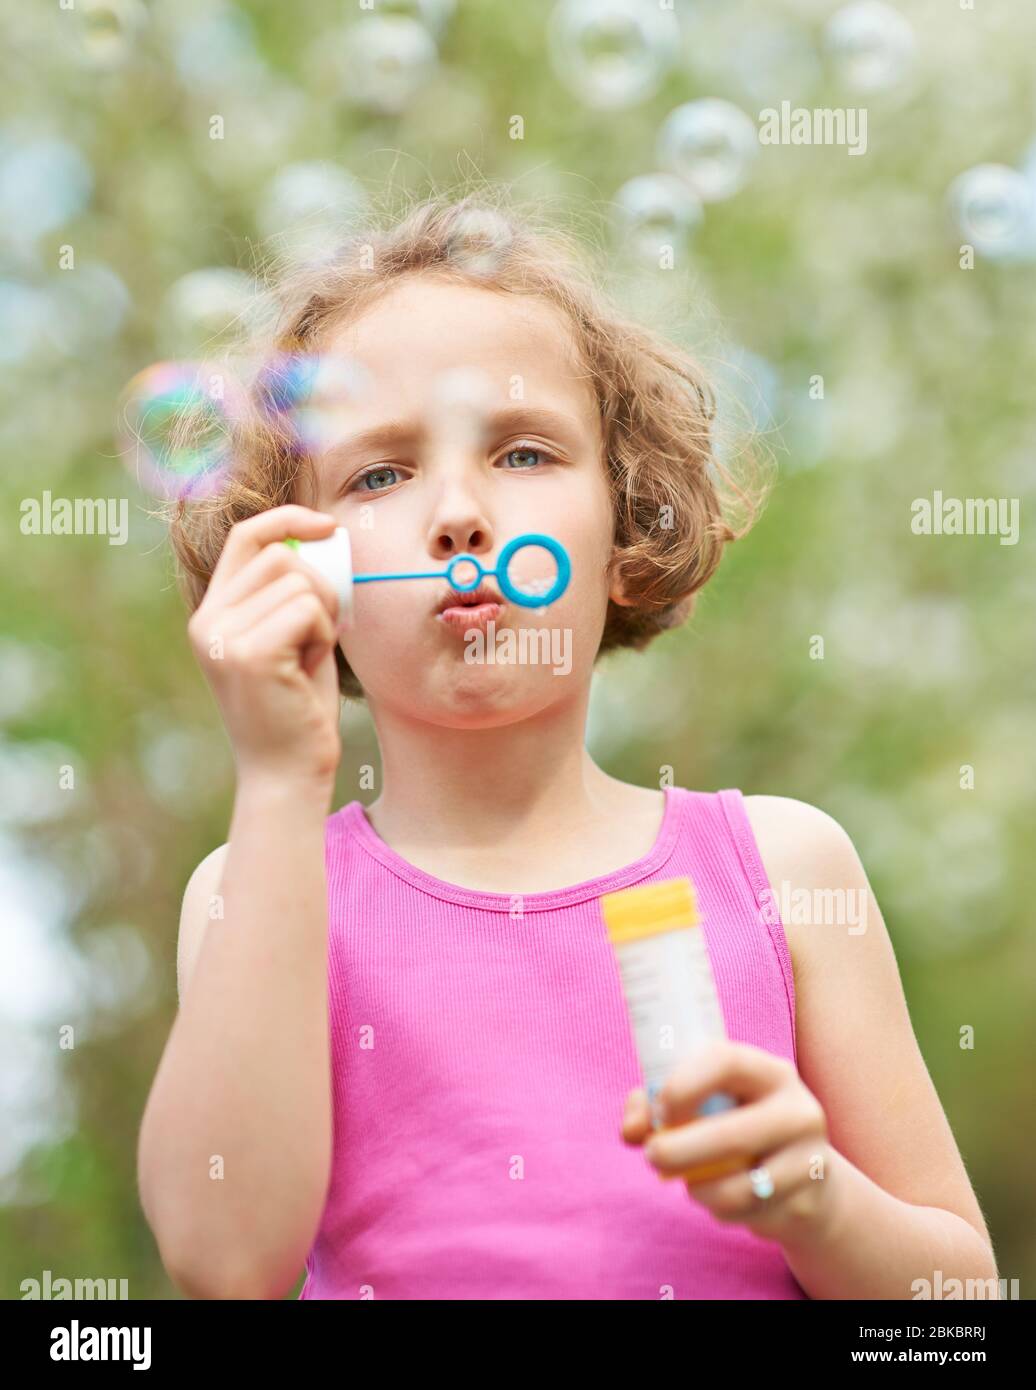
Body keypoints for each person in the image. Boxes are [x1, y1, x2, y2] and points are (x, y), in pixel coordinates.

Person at [137, 193, 998, 1300]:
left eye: (523, 451)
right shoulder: (257, 888)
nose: (457, 515)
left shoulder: (782, 868)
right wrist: (272, 780)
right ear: (308, 570)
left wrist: (816, 1198)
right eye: (380, 475)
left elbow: (959, 1311)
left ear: (627, 529)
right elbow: (222, 1263)